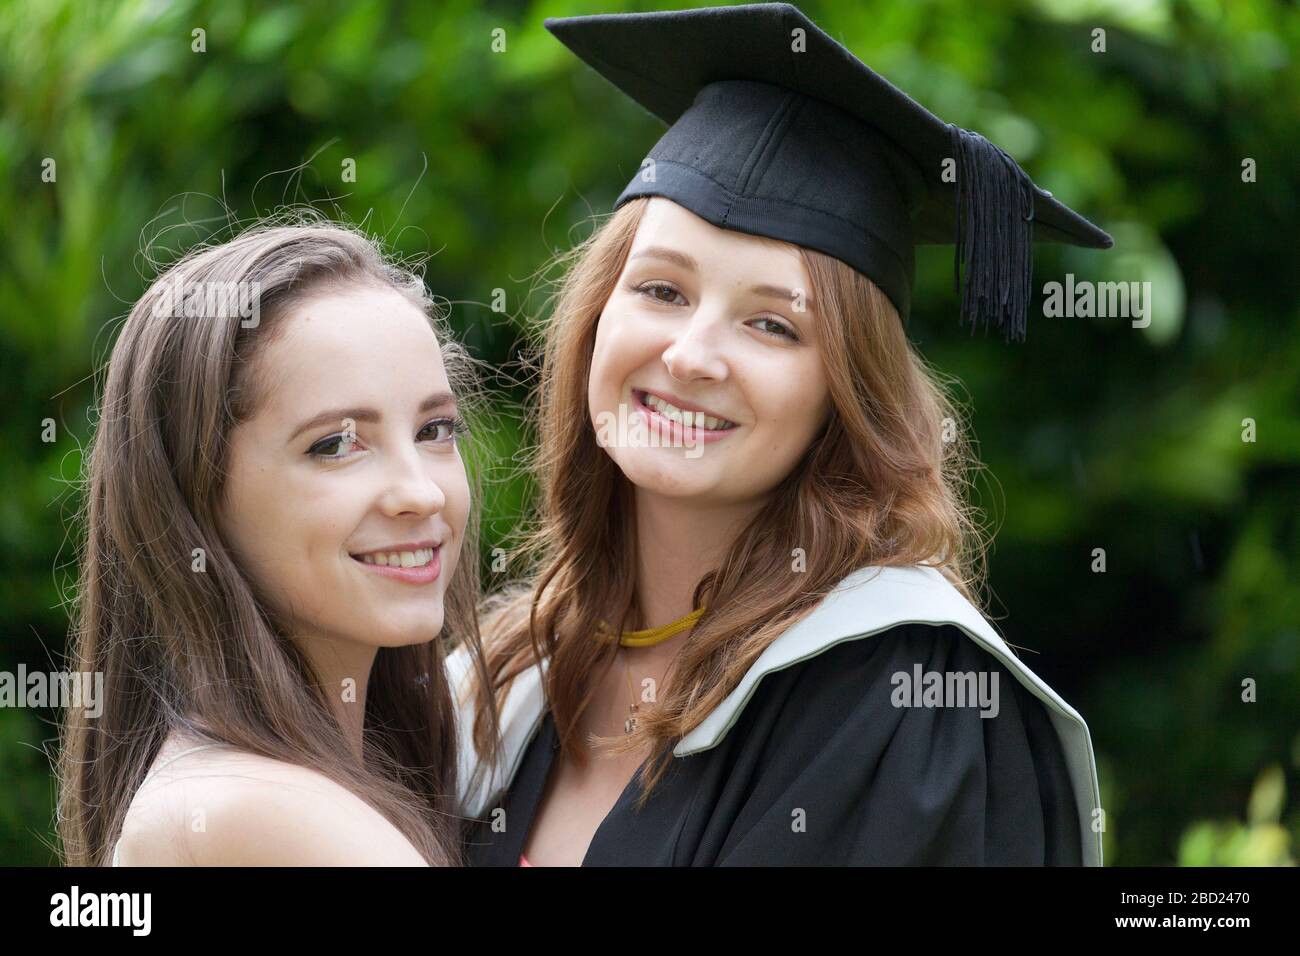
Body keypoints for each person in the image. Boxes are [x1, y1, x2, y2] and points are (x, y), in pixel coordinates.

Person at [453, 2, 1108, 865]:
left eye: (773, 326)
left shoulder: (901, 698)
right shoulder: (508, 673)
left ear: (846, 392)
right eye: (661, 291)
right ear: (594, 318)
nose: (690, 356)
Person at [58, 215, 499, 866]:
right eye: (336, 444)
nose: (422, 493)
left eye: (434, 429)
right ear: (194, 497)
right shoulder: (249, 811)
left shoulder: (286, 786)